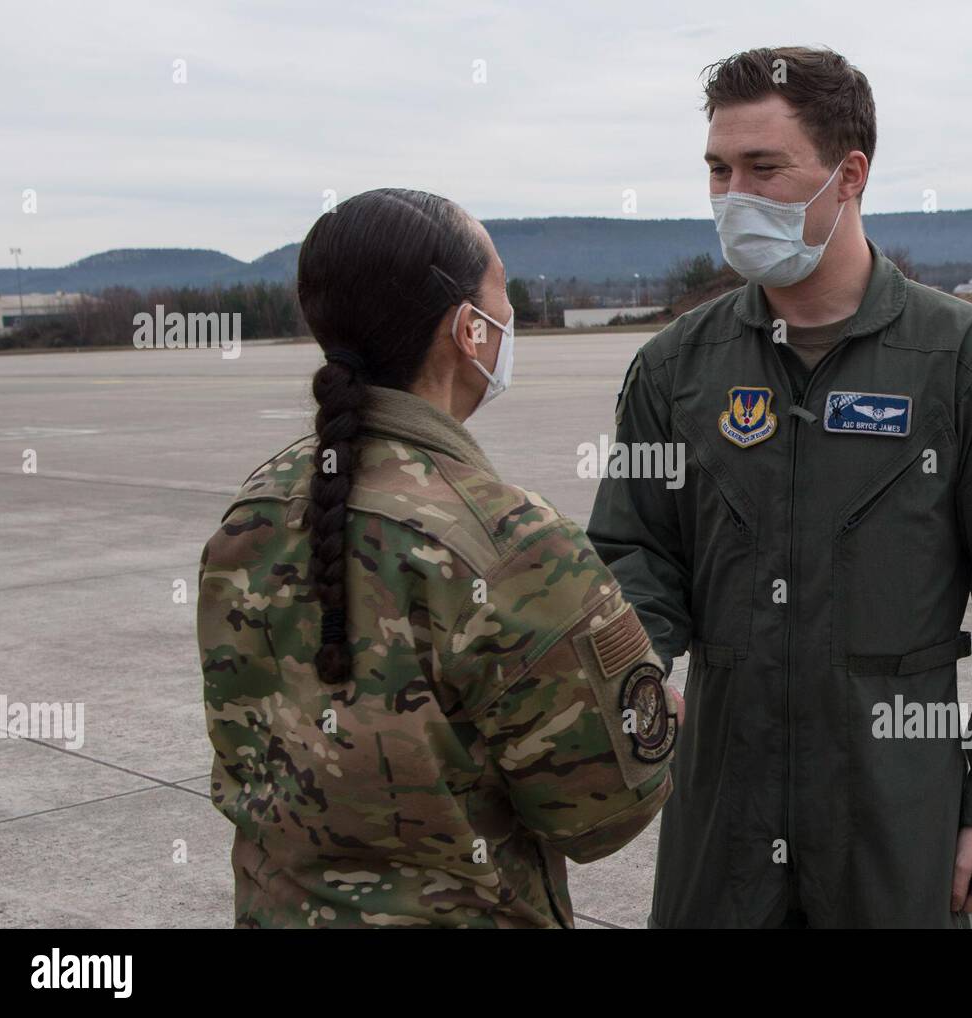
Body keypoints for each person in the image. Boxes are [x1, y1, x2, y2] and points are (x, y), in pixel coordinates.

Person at [587, 47, 972, 928]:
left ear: (849, 175)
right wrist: (645, 661)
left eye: (763, 168)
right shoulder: (674, 370)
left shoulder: (969, 362)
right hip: (722, 807)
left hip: (895, 805)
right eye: (717, 169)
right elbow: (635, 549)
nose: (733, 194)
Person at [196, 188, 679, 929]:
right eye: (503, 290)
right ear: (469, 330)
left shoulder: (254, 508)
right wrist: (660, 717)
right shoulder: (509, 540)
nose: (509, 312)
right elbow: (600, 814)